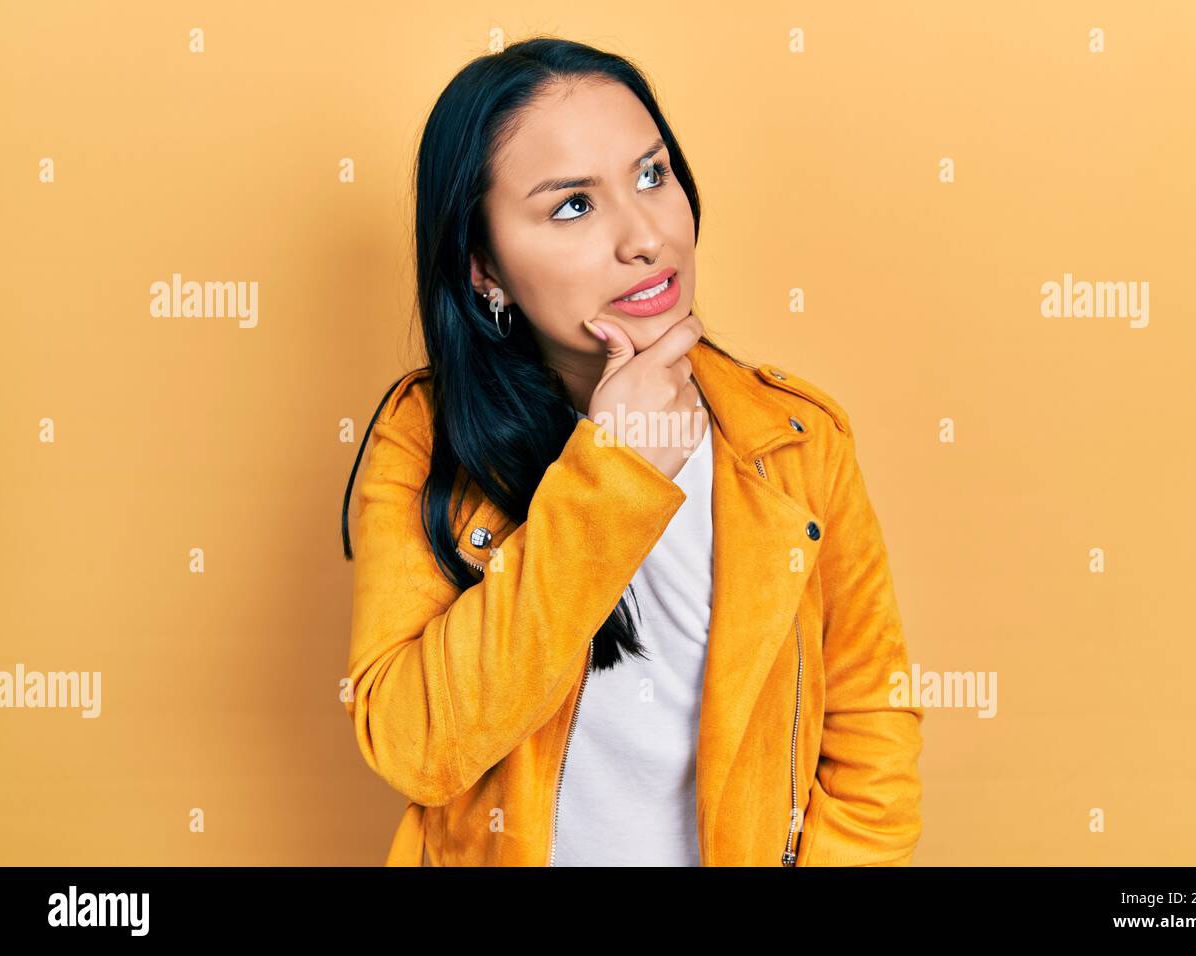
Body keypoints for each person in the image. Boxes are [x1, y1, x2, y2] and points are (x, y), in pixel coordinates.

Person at [339, 36, 923, 867]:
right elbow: (415, 743)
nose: (645, 236)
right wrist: (612, 471)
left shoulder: (794, 440)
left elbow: (872, 726)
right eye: (573, 205)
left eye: (652, 175)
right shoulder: (426, 437)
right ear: (483, 270)